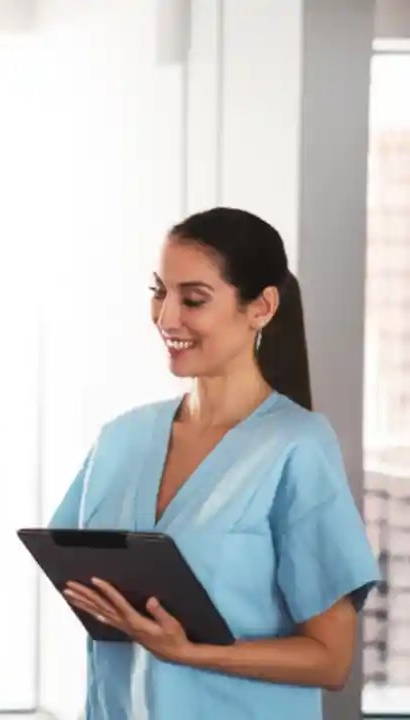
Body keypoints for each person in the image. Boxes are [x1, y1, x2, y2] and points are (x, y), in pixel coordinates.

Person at [48, 207, 381, 719]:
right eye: (159, 291)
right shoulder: (121, 439)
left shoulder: (297, 446)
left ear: (262, 307)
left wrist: (189, 652)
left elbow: (330, 659)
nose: (166, 317)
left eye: (193, 299)